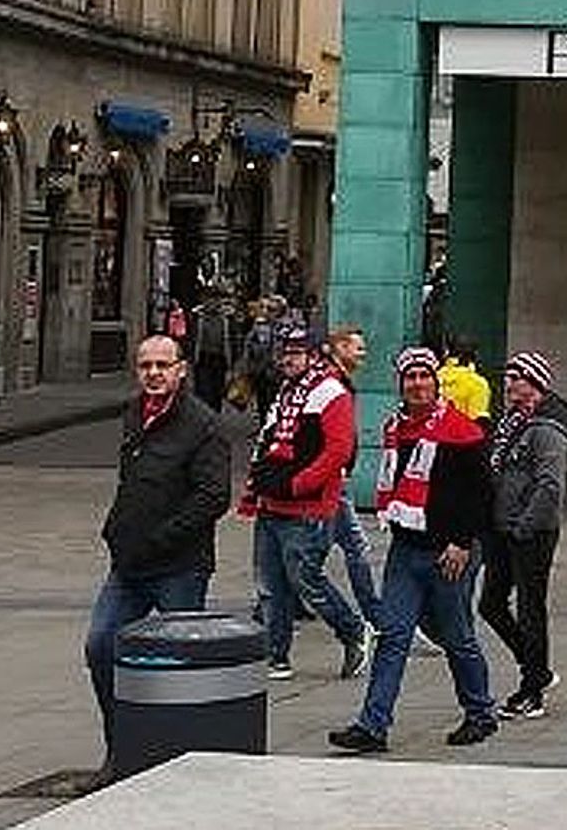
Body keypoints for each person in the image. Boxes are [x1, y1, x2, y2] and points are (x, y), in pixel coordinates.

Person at [329, 347, 497, 753]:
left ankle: (480, 713)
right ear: (401, 385)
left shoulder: (462, 431)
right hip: (406, 550)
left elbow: (481, 494)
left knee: (457, 636)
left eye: (424, 376)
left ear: (436, 382)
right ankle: (373, 726)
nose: (417, 384)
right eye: (410, 378)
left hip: (448, 551)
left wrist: (462, 542)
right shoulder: (394, 428)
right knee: (393, 636)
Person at [84, 336, 230, 776]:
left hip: (179, 567)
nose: (153, 373)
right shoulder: (135, 412)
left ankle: (180, 759)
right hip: (130, 563)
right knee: (101, 645)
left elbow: (213, 496)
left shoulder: (202, 424)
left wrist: (164, 537)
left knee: (178, 665)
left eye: (162, 365)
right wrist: (116, 528)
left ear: (181, 369)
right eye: (145, 365)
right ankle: (122, 747)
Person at [241, 325, 373, 681]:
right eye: (285, 352)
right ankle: (276, 656)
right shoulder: (288, 391)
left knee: (307, 581)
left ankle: (353, 631)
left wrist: (298, 485)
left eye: (296, 352)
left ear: (314, 354)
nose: (288, 359)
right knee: (271, 586)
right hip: (273, 503)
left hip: (307, 506)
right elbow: (268, 438)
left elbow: (338, 450)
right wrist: (258, 485)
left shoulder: (330, 392)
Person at [481, 351, 567, 719]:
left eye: (517, 378)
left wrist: (524, 525)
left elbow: (550, 487)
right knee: (490, 604)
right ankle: (538, 669)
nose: (508, 384)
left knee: (529, 609)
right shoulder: (512, 421)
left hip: (530, 532)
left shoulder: (545, 429)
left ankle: (531, 689)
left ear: (535, 384)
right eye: (507, 377)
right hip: (501, 528)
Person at [322, 326, 385, 630]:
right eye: (358, 348)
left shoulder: (338, 382)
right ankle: (371, 616)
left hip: (335, 478)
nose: (363, 353)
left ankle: (284, 601)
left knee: (313, 550)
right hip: (334, 480)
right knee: (354, 547)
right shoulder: (333, 384)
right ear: (340, 349)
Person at [438, 334, 493, 425]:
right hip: (462, 436)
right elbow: (478, 421)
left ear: (447, 353)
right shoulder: (478, 383)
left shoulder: (435, 377)